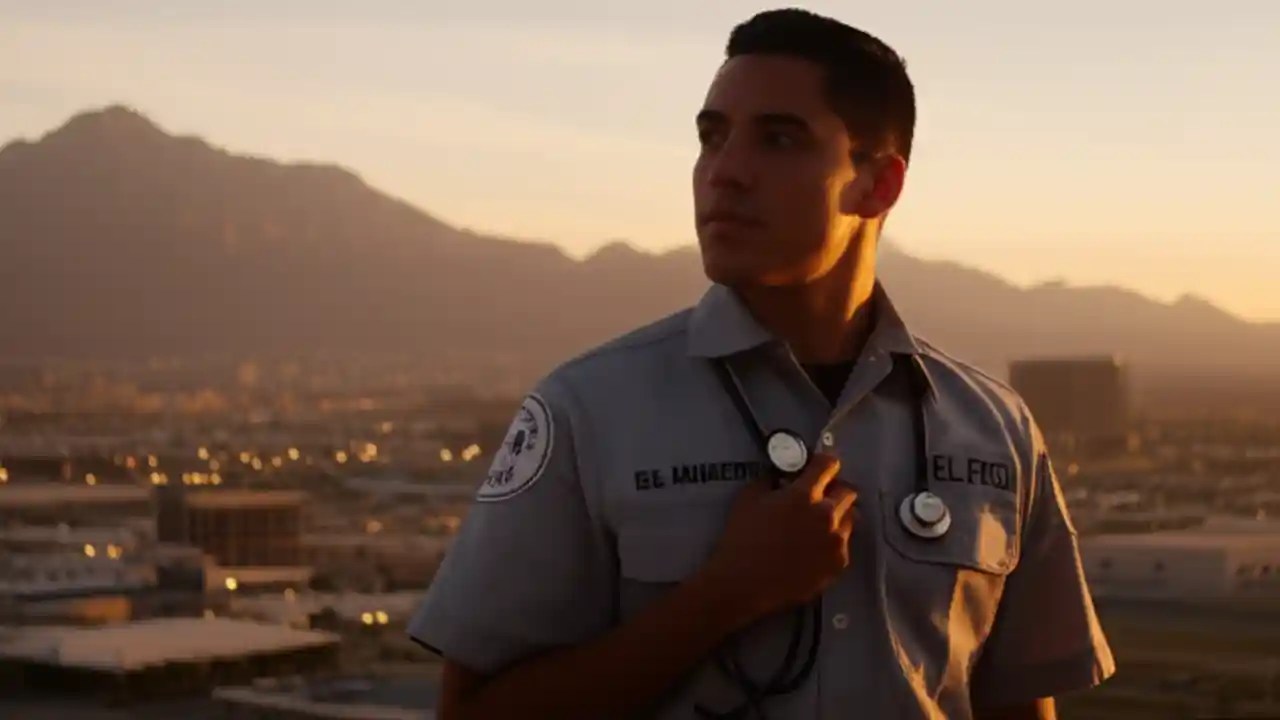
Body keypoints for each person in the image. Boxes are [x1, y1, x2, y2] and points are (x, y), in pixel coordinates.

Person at [408, 8, 1115, 719]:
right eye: (711, 138)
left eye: (778, 139)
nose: (725, 173)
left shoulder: (993, 428)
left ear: (878, 185)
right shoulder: (588, 412)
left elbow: (1019, 704)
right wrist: (723, 597)